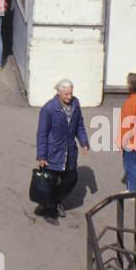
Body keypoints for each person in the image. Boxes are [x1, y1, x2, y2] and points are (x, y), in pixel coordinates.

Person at [35, 79, 90, 221]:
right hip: (53, 153)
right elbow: (42, 134)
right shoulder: (49, 109)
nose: (69, 97)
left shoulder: (76, 104)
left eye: (70, 93)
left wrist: (84, 142)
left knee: (71, 179)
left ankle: (53, 202)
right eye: (66, 94)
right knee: (50, 183)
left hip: (70, 152)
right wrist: (41, 156)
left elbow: (79, 125)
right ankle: (49, 211)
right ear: (58, 93)